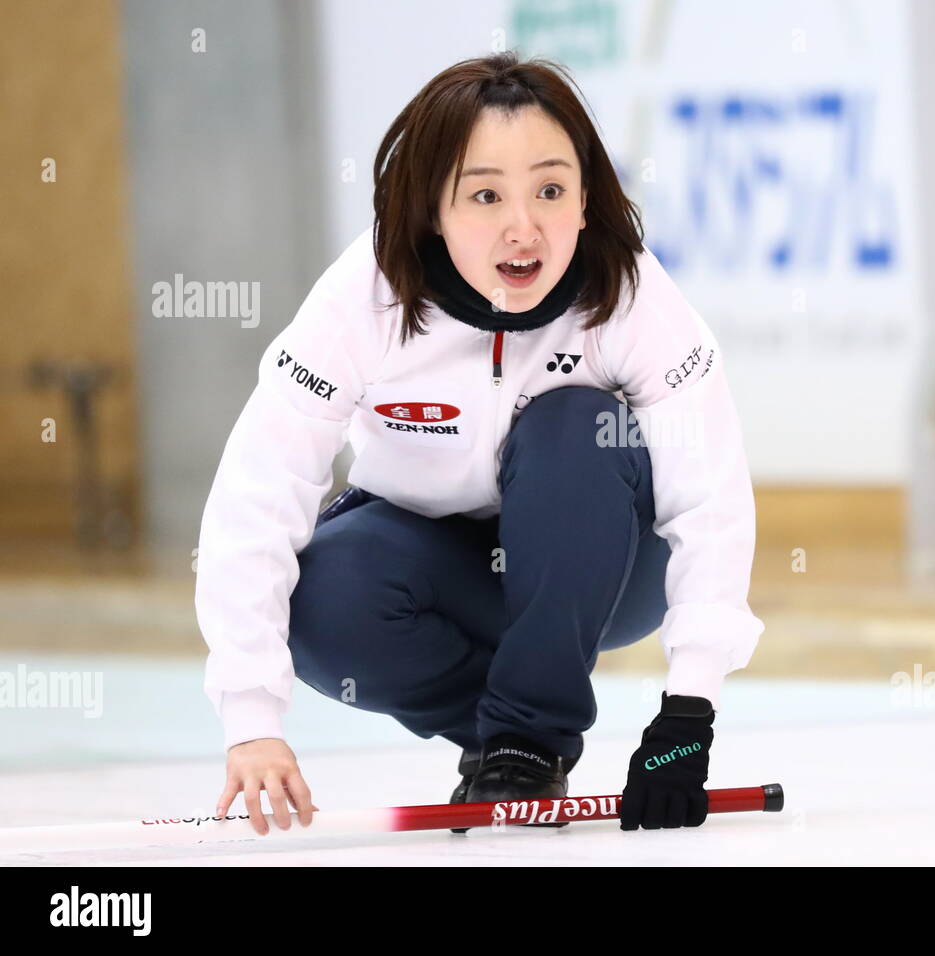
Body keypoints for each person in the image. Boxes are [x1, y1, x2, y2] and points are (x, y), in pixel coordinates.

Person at [195, 51, 764, 836]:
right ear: (432, 206)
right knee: (325, 591)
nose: (522, 227)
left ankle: (531, 725)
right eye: (486, 194)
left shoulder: (630, 297)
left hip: (605, 571)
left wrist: (688, 715)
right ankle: (516, 746)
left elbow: (712, 500)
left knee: (576, 427)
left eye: (551, 190)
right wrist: (251, 718)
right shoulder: (360, 301)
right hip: (434, 574)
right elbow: (257, 494)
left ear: (587, 201)